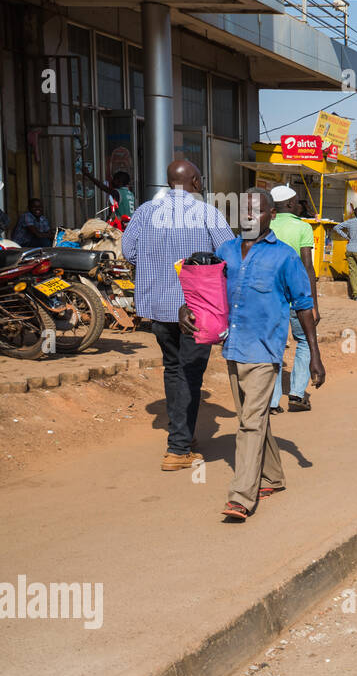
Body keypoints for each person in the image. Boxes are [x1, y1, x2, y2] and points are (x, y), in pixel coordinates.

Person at [182, 188, 324, 521]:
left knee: (248, 423)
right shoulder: (225, 251)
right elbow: (206, 293)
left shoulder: (285, 257)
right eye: (244, 210)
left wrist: (315, 353)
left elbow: (304, 307)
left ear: (270, 215)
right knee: (253, 416)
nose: (248, 216)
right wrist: (184, 309)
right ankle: (273, 476)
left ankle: (241, 496)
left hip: (265, 350)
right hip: (233, 347)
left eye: (256, 211)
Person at [122, 160, 235, 471]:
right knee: (191, 374)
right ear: (196, 181)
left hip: (159, 307)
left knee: (173, 369)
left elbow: (128, 251)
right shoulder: (207, 213)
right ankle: (178, 449)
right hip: (198, 309)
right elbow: (228, 254)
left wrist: (155, 269)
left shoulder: (146, 212)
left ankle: (182, 436)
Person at [267, 185, 320, 413]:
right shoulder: (302, 228)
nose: (299, 205)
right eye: (298, 201)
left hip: (270, 296)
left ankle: (271, 400)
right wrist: (314, 304)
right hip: (297, 296)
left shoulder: (264, 225)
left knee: (274, 345)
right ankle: (297, 394)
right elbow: (308, 267)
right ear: (290, 204)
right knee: (304, 340)